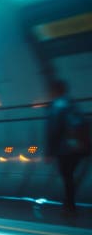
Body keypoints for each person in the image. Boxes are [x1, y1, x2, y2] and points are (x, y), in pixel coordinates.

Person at [46, 80, 90, 213]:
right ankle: (69, 203)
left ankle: (69, 205)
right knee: (70, 176)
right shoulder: (72, 104)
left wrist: (49, 151)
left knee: (67, 177)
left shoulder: (57, 106)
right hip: (78, 147)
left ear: (55, 91)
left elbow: (54, 130)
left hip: (64, 149)